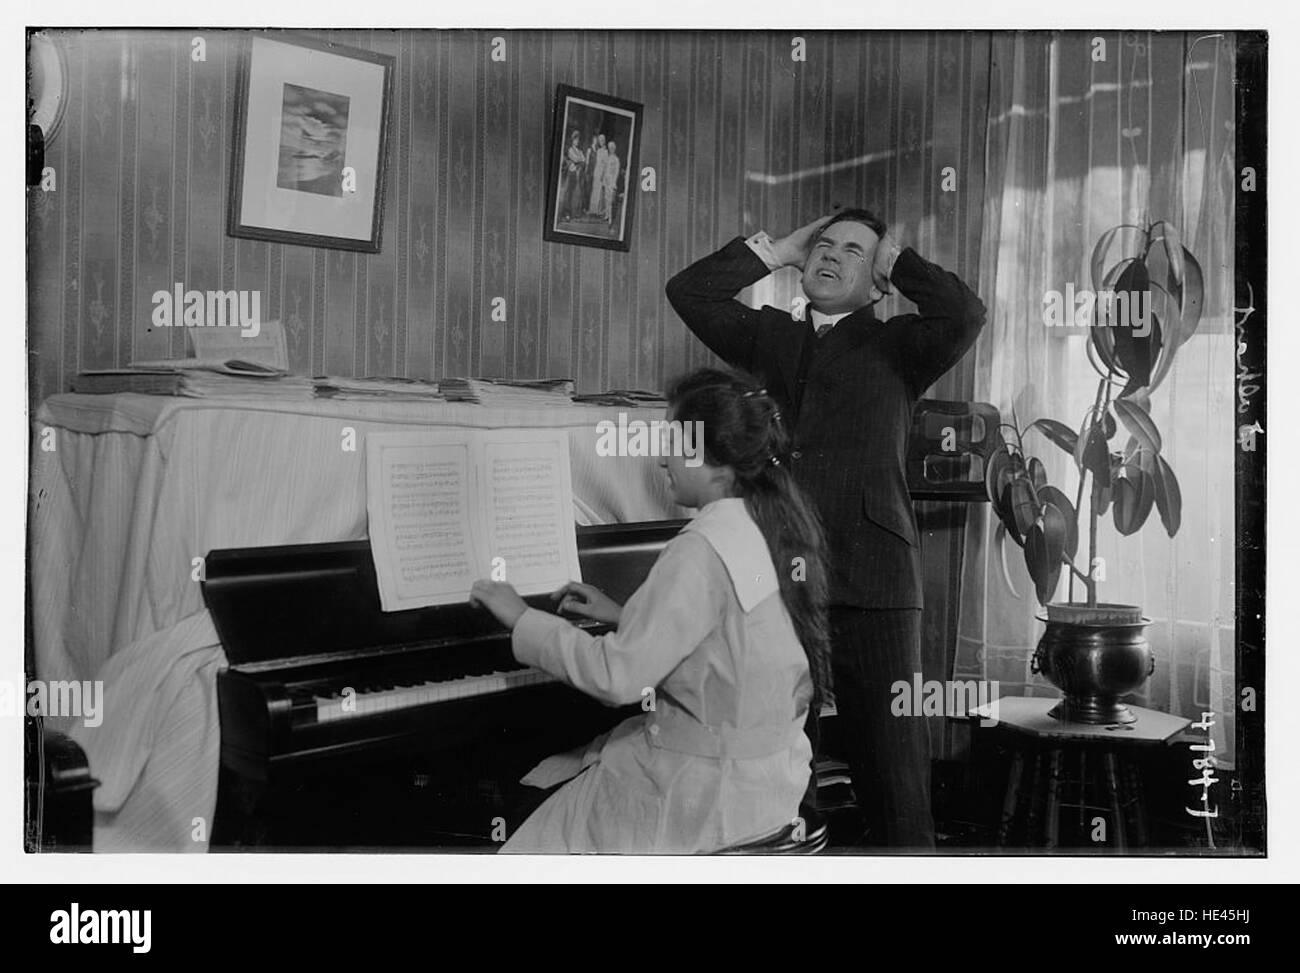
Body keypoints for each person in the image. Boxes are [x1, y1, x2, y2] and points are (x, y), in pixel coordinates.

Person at [665, 209, 986, 850]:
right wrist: (778, 248)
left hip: (877, 584)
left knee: (894, 783)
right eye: (823, 245)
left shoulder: (901, 343)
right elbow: (689, 291)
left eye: (853, 252)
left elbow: (965, 313)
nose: (831, 256)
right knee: (784, 776)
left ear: (877, 284)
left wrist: (897, 260)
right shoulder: (769, 336)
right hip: (781, 579)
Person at [469, 367, 832, 854]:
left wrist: (521, 617)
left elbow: (615, 677)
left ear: (720, 466)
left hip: (698, 798)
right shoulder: (773, 524)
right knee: (563, 773)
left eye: (678, 446)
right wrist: (626, 617)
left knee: (524, 849)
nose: (663, 461)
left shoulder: (700, 547)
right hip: (768, 786)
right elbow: (739, 639)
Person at [560, 129, 586, 221]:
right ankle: (567, 212)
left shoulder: (580, 151)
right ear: (572, 140)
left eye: (578, 140)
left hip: (578, 173)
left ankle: (574, 212)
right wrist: (579, 161)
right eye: (575, 140)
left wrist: (580, 161)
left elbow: (583, 161)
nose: (577, 142)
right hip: (571, 173)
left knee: (577, 192)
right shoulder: (570, 149)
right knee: (569, 192)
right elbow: (575, 159)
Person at [586, 134, 608, 216]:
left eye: (602, 140)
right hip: (596, 171)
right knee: (594, 190)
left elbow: (605, 164)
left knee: (599, 191)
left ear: (604, 141)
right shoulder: (598, 151)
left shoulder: (605, 151)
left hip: (601, 172)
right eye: (600, 140)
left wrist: (603, 174)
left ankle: (598, 211)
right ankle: (592, 210)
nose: (601, 142)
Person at [602, 140, 621, 225]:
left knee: (611, 200)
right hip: (607, 180)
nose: (611, 149)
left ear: (614, 149)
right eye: (610, 148)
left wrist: (614, 183)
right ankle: (607, 215)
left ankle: (610, 218)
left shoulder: (616, 159)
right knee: (606, 198)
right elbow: (605, 170)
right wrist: (604, 180)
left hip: (612, 181)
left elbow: (616, 172)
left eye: (612, 148)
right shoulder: (608, 158)